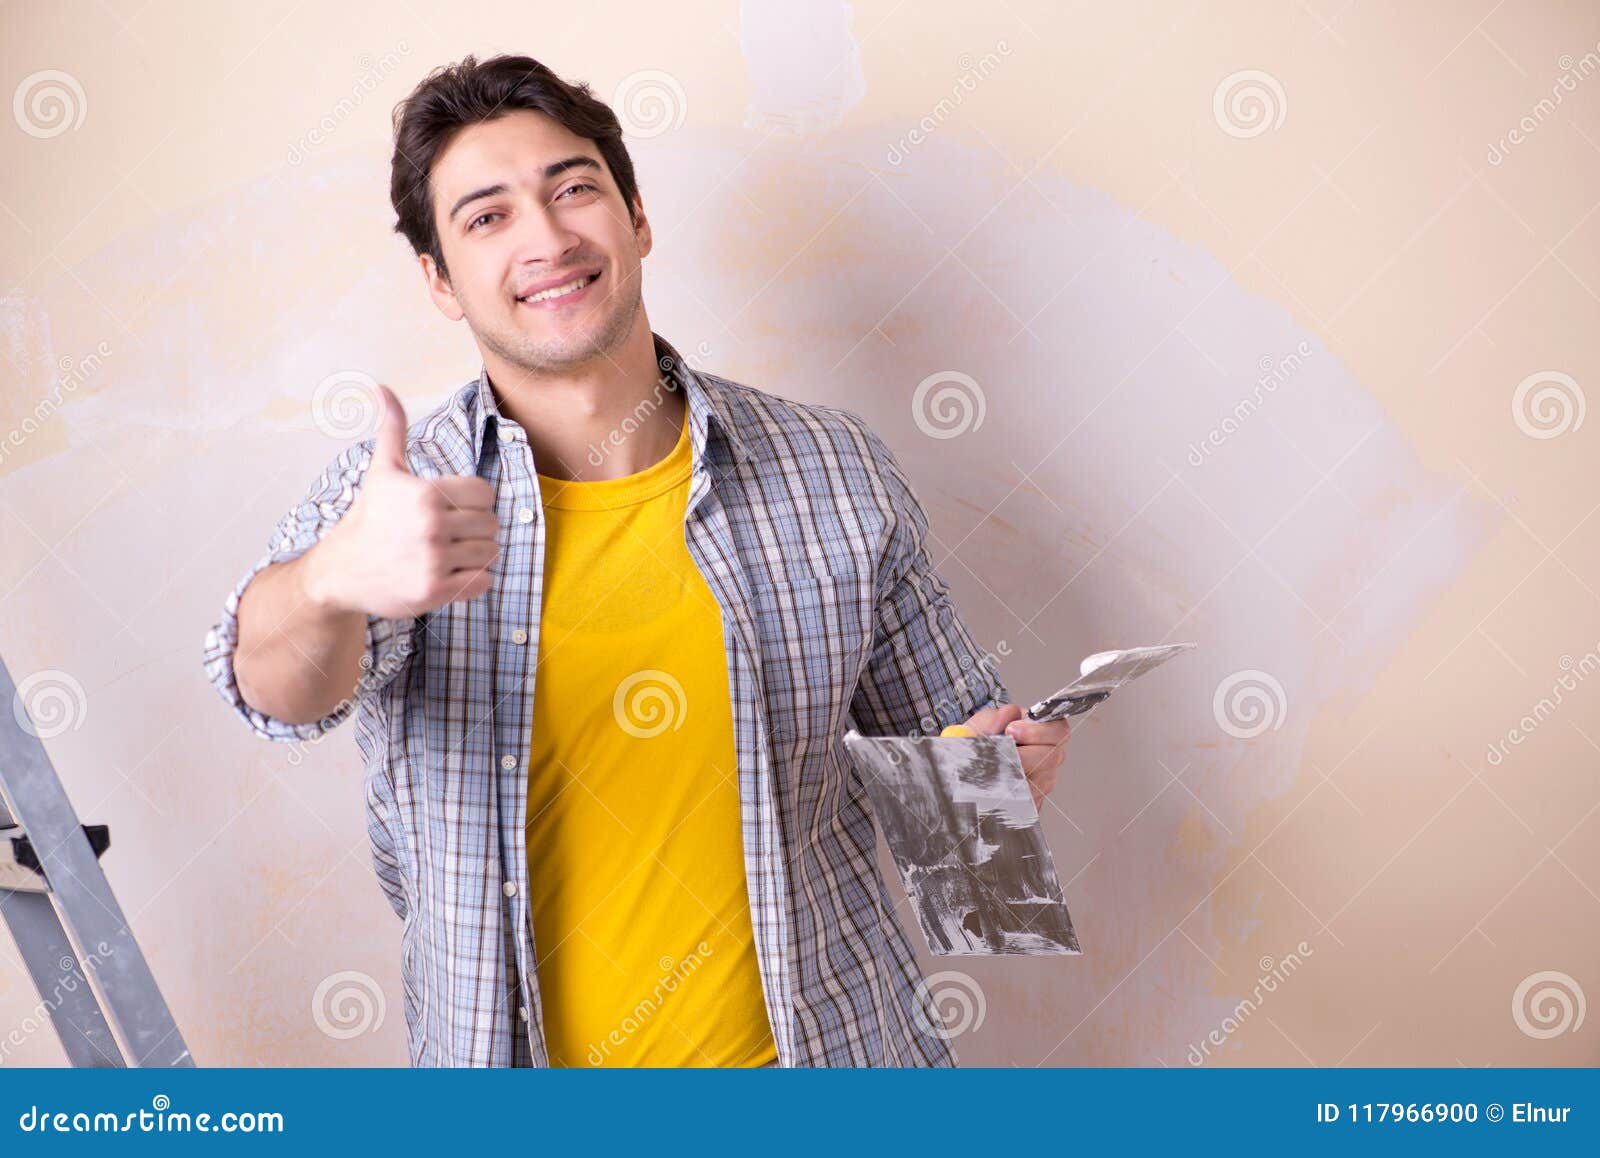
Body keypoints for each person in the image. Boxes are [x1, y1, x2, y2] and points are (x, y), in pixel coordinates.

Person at [202, 53, 1070, 1068]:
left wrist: (999, 780)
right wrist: (329, 581)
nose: (547, 236)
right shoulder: (395, 502)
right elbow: (272, 691)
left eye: (572, 188)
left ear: (636, 219)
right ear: (439, 282)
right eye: (487, 217)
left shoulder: (835, 467)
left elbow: (967, 845)